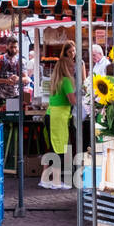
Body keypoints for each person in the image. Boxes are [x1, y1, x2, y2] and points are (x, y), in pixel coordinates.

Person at [42, 43, 80, 190]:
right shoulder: (67, 81)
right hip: (59, 117)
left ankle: (45, 179)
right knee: (60, 149)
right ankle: (57, 181)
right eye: (71, 67)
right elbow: (73, 101)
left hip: (50, 114)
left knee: (52, 148)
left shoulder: (55, 80)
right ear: (67, 68)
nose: (73, 69)